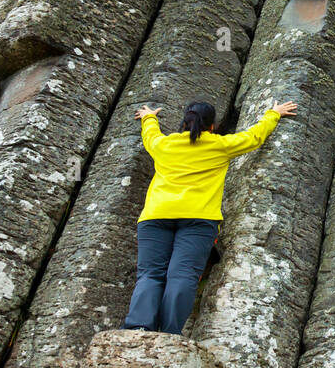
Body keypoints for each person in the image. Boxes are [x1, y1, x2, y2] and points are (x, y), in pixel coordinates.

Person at [123, 98, 297, 333]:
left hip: (156, 216)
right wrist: (273, 114)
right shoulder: (220, 145)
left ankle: (139, 327)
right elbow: (254, 137)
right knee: (182, 275)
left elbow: (150, 135)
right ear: (212, 125)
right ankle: (168, 333)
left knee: (150, 274)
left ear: (184, 122)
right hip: (199, 219)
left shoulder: (164, 145)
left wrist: (148, 116)